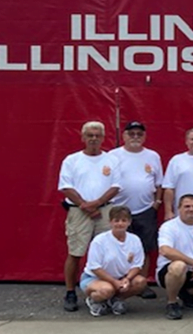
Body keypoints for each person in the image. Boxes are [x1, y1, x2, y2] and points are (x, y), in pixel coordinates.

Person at [58, 121, 122, 312]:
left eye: (97, 135)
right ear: (83, 137)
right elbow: (65, 187)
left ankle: (108, 293)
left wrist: (97, 204)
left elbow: (116, 186)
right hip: (79, 211)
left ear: (103, 138)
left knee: (108, 253)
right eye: (90, 135)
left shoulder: (111, 160)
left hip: (105, 211)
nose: (94, 139)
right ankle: (70, 291)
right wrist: (85, 206)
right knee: (75, 252)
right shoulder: (72, 160)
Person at [109, 120, 163, 300]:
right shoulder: (113, 155)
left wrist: (157, 203)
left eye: (139, 134)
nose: (135, 137)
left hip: (145, 209)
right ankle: (116, 283)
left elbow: (159, 183)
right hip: (118, 210)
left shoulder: (153, 156)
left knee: (144, 248)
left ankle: (142, 283)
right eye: (131, 133)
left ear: (144, 136)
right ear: (124, 136)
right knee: (117, 248)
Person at [79, 206, 148, 317]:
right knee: (107, 289)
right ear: (110, 222)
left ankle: (116, 300)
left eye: (124, 220)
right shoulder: (99, 241)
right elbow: (95, 267)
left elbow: (137, 265)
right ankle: (94, 300)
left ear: (129, 222)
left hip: (121, 278)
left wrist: (127, 279)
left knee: (140, 282)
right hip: (94, 278)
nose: (120, 224)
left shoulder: (135, 240)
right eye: (116, 220)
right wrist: (114, 282)